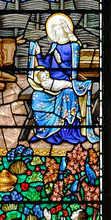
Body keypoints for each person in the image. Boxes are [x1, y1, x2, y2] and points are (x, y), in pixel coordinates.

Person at [28, 12, 95, 146]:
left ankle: (65, 133)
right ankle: (44, 132)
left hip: (66, 83)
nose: (56, 32)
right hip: (51, 84)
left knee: (68, 94)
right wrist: (38, 54)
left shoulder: (73, 46)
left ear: (65, 28)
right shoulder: (54, 46)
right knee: (36, 96)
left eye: (58, 28)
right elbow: (46, 65)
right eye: (54, 30)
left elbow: (72, 71)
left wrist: (60, 61)